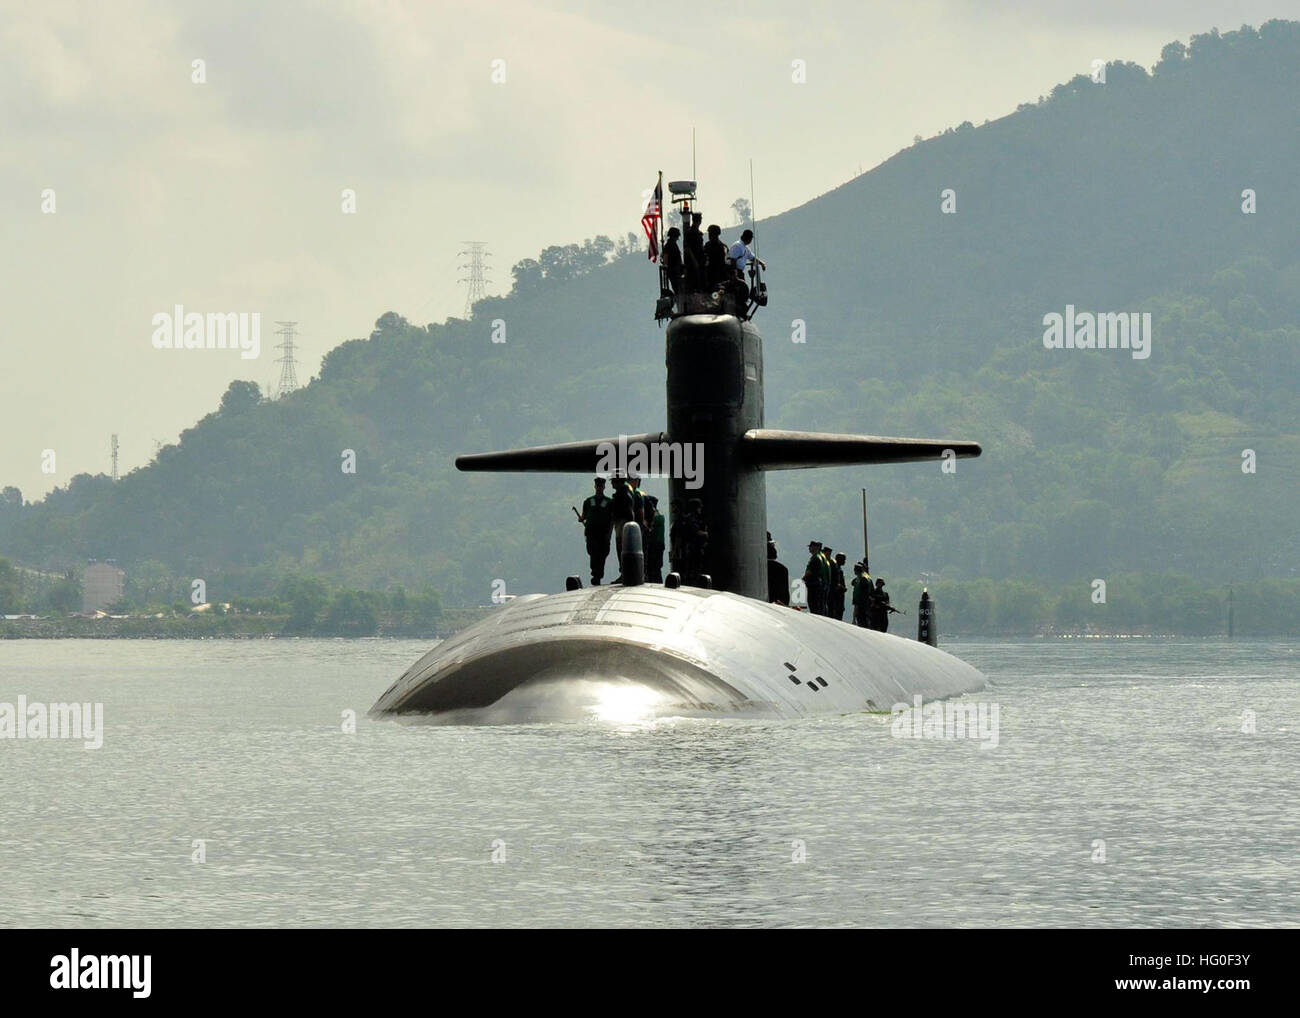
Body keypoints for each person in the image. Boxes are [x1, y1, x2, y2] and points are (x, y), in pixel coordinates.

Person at [577, 477, 613, 585]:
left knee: (602, 555)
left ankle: (598, 575)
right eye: (598, 486)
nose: (599, 488)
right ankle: (595, 574)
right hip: (591, 533)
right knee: (593, 554)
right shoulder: (588, 502)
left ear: (603, 487)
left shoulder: (609, 502)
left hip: (603, 534)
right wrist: (581, 519)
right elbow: (583, 517)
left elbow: (612, 519)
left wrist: (609, 534)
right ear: (595, 487)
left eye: (601, 486)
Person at [609, 475, 635, 580]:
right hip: (623, 523)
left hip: (622, 523)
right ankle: (625, 572)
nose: (611, 483)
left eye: (613, 481)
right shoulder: (627, 493)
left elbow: (626, 511)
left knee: (621, 548)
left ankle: (624, 572)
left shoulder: (622, 495)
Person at [645, 495, 665, 582]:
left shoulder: (657, 517)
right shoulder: (660, 516)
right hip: (657, 545)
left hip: (655, 545)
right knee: (655, 568)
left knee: (654, 567)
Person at [703, 224, 730, 290]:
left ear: (716, 234)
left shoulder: (723, 247)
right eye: (709, 233)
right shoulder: (707, 245)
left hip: (719, 276)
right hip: (710, 276)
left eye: (711, 233)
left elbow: (726, 262)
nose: (709, 235)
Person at [802, 540, 825, 615]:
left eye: (811, 547)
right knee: (813, 603)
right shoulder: (816, 557)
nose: (809, 548)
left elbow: (810, 571)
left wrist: (803, 578)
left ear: (815, 547)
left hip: (813, 584)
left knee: (813, 603)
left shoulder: (816, 558)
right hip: (814, 583)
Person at [683, 213, 705, 292]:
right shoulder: (691, 233)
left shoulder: (697, 232)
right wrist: (694, 261)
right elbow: (689, 248)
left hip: (699, 260)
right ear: (699, 221)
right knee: (695, 280)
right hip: (694, 261)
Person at [661, 226, 683, 296]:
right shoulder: (670, 245)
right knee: (678, 289)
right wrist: (666, 266)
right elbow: (665, 257)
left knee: (678, 289)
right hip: (673, 271)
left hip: (675, 271)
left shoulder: (672, 244)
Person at [829, 552, 847, 621]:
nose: (844, 561)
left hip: (839, 597)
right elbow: (836, 583)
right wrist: (842, 588)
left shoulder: (839, 569)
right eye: (843, 559)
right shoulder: (835, 569)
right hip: (835, 597)